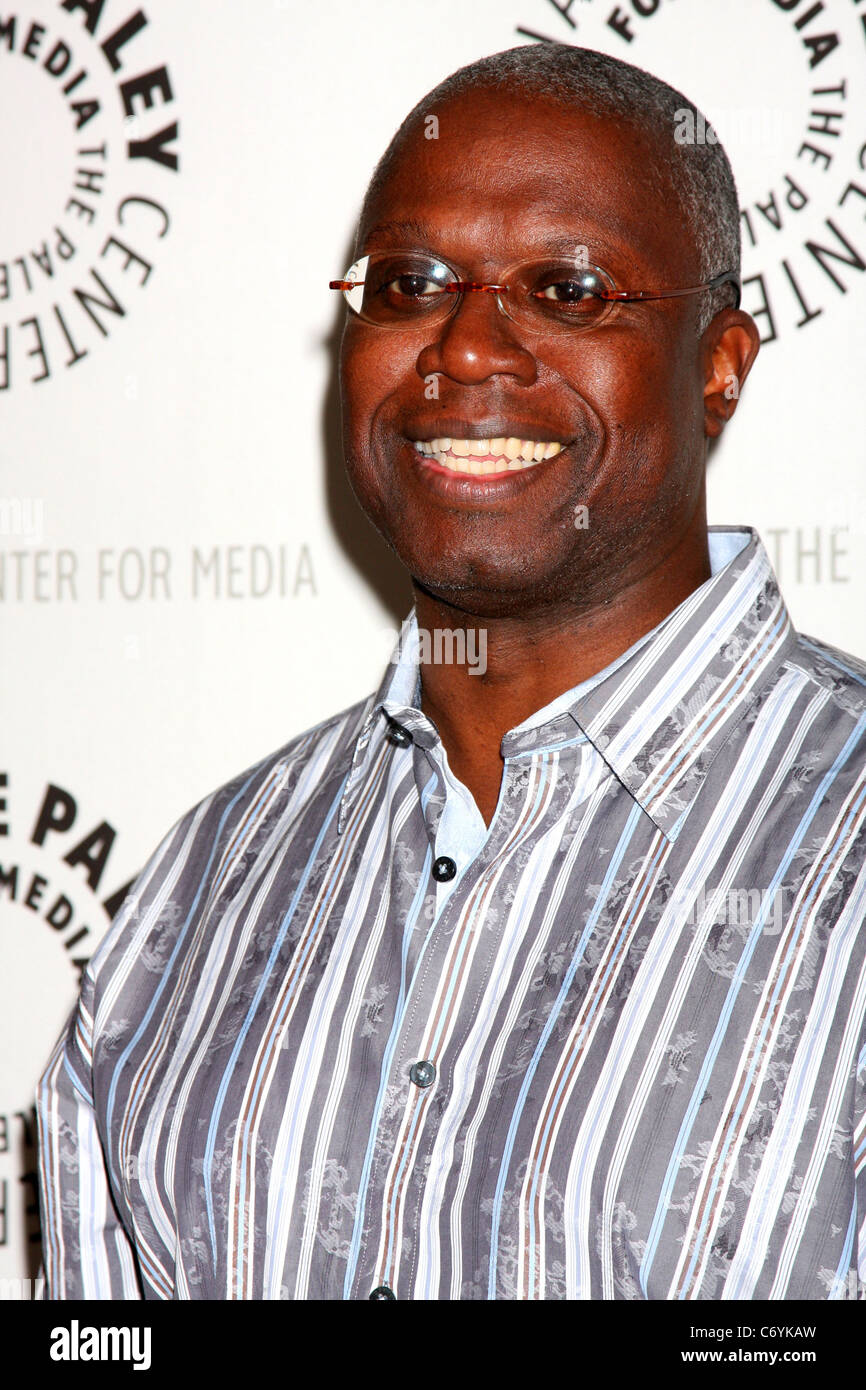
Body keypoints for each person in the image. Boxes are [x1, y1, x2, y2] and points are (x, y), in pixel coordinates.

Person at [38, 43, 866, 1302]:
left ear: (719, 364)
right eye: (412, 282)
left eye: (569, 289)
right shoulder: (199, 891)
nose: (465, 348)